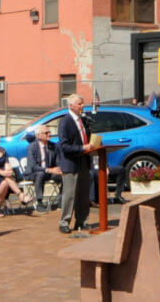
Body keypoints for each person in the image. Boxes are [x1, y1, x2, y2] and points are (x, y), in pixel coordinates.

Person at [57, 93, 97, 236]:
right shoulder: (65, 121)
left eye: (82, 103)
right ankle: (64, 222)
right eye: (79, 104)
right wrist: (82, 148)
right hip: (71, 163)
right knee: (70, 195)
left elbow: (87, 138)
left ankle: (82, 220)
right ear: (71, 105)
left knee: (83, 194)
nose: (82, 106)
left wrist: (94, 144)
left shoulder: (83, 120)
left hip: (84, 162)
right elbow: (64, 146)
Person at [24, 124, 63, 213]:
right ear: (38, 136)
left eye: (49, 132)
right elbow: (33, 166)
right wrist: (48, 170)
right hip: (34, 173)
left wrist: (59, 169)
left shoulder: (54, 146)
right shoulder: (31, 147)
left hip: (49, 172)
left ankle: (61, 200)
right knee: (40, 174)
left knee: (65, 175)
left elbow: (57, 162)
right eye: (46, 133)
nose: (49, 134)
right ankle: (39, 202)